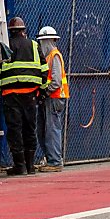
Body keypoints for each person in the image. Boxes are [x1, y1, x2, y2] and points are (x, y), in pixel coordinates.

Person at [0, 16, 46, 176]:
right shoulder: (34, 45)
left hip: (11, 95)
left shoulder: (4, 47)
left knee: (15, 130)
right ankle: (31, 166)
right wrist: (41, 90)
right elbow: (44, 69)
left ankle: (19, 166)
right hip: (31, 95)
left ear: (10, 31)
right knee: (30, 129)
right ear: (24, 31)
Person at [36, 24, 68, 172]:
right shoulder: (49, 56)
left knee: (52, 130)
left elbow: (56, 81)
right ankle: (51, 159)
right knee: (45, 129)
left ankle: (55, 161)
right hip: (51, 98)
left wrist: (45, 92)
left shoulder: (54, 55)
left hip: (54, 98)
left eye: (43, 42)